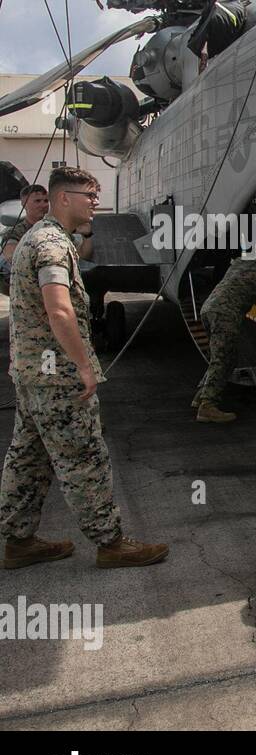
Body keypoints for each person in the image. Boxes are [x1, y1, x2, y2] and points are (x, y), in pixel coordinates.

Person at [1, 167, 168, 570]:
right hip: (57, 378)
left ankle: (18, 541)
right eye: (88, 195)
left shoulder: (43, 239)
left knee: (28, 457)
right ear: (63, 198)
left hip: (31, 374)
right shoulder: (51, 245)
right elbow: (59, 310)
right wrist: (84, 367)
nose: (95, 202)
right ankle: (110, 543)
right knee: (84, 457)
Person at [191, 243, 256, 422]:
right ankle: (208, 406)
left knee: (222, 356)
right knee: (224, 358)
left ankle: (201, 395)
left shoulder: (240, 262)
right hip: (226, 314)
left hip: (208, 309)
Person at [2, 185, 50, 296]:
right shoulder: (15, 232)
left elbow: (81, 253)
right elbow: (12, 256)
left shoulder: (55, 228)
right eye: (37, 201)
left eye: (46, 201)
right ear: (24, 204)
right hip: (28, 290)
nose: (43, 205)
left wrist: (87, 235)